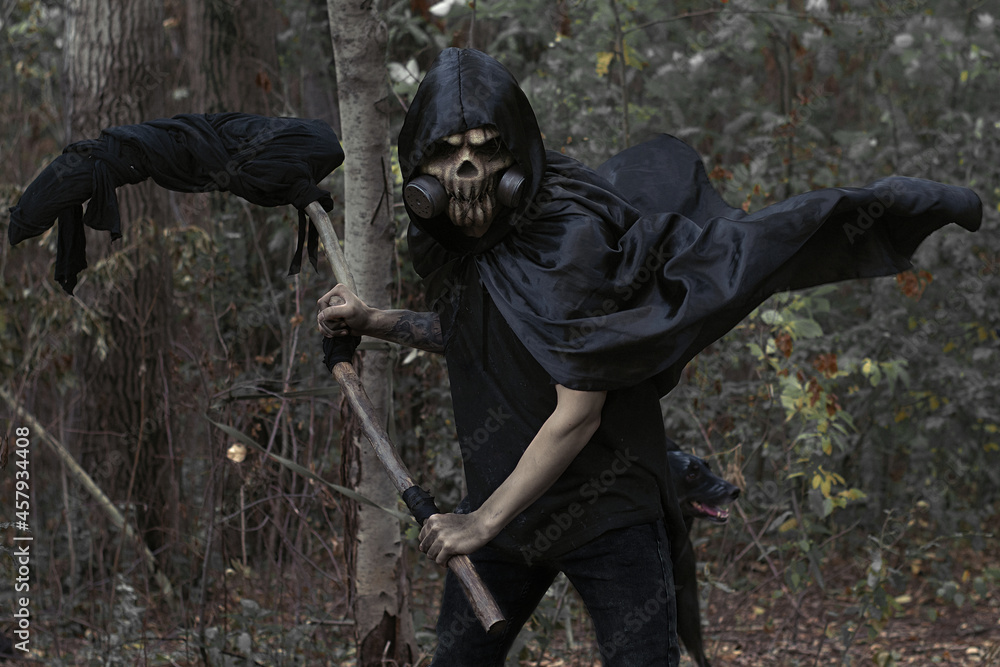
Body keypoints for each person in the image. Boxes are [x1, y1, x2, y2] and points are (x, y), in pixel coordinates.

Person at [318, 48, 980, 666]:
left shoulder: (567, 240)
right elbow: (483, 334)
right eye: (447, 153)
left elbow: (577, 412)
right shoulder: (451, 245)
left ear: (516, 157)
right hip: (506, 511)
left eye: (484, 151)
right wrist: (375, 321)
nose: (464, 173)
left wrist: (476, 521)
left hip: (606, 509)